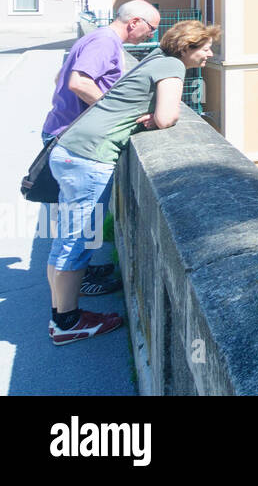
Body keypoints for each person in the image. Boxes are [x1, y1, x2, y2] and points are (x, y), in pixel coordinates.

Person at [46, 19, 219, 346]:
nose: (210, 53)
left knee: (66, 239)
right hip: (89, 157)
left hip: (71, 148)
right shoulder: (171, 65)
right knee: (75, 240)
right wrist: (155, 119)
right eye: (205, 47)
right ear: (187, 48)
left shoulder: (155, 57)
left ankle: (60, 312)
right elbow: (168, 117)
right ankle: (66, 322)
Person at [40, 0, 162, 297]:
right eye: (151, 28)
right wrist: (113, 114)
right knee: (76, 231)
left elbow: (59, 78)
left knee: (72, 225)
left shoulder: (93, 37)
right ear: (134, 22)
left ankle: (78, 273)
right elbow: (78, 82)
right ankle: (69, 305)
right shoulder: (106, 41)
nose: (153, 35)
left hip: (61, 132)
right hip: (76, 143)